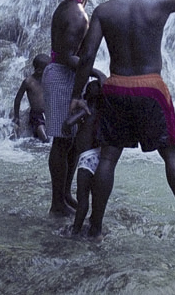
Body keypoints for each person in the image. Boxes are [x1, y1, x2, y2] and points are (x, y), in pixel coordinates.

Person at [69, 0, 175, 240]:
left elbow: (87, 56)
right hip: (151, 88)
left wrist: (76, 96)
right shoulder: (159, 3)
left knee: (108, 158)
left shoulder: (104, 10)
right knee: (171, 156)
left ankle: (95, 228)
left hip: (116, 88)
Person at [43, 0, 97, 217]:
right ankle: (57, 202)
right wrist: (96, 72)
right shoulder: (78, 15)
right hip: (61, 77)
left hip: (65, 77)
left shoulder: (68, 6)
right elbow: (66, 56)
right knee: (62, 140)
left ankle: (65, 196)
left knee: (70, 141)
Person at [68, 76, 102, 237]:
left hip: (86, 159)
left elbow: (69, 123)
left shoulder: (86, 110)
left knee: (82, 199)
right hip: (100, 157)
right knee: (96, 196)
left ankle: (75, 230)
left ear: (85, 96)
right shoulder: (103, 112)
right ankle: (93, 225)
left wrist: (72, 118)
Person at [12, 54, 50, 142]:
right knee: (45, 139)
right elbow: (18, 99)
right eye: (48, 69)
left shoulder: (48, 79)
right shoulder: (28, 82)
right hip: (36, 115)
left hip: (48, 113)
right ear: (39, 70)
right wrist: (16, 116)